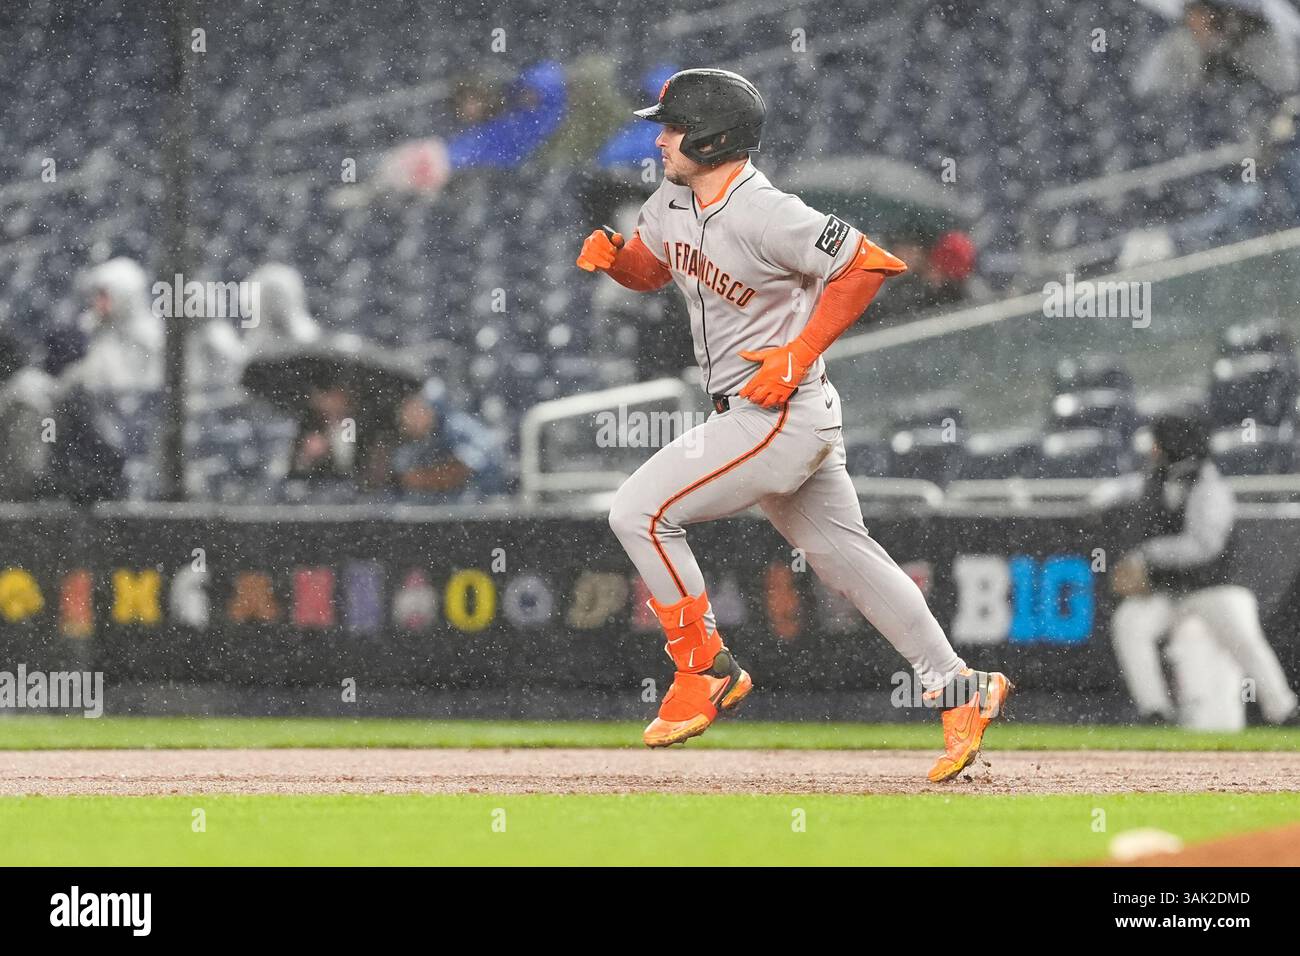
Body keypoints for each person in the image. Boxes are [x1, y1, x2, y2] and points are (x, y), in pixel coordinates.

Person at [576, 68, 1012, 782]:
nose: (658, 136)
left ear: (714, 138)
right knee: (849, 560)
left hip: (778, 411)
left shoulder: (767, 212)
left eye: (672, 126)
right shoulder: (673, 198)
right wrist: (618, 265)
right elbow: (656, 268)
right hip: (765, 412)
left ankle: (704, 670)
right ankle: (961, 687)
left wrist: (799, 350)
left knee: (639, 512)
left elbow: (870, 263)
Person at [1111, 412, 1298, 724]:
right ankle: (1155, 711)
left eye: (1158, 441)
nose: (1152, 449)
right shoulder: (1155, 480)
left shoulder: (1209, 483)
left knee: (1243, 635)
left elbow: (1204, 547)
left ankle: (1283, 709)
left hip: (1215, 587)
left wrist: (1146, 556)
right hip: (1169, 591)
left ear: (1174, 443)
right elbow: (1121, 497)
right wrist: (1134, 563)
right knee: (1129, 622)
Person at [389, 379, 504, 504]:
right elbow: (404, 475)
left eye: (415, 411)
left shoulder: (455, 426)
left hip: (481, 502)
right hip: (441, 505)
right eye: (406, 414)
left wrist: (426, 478)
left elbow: (466, 469)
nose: (409, 419)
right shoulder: (413, 439)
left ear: (428, 408)